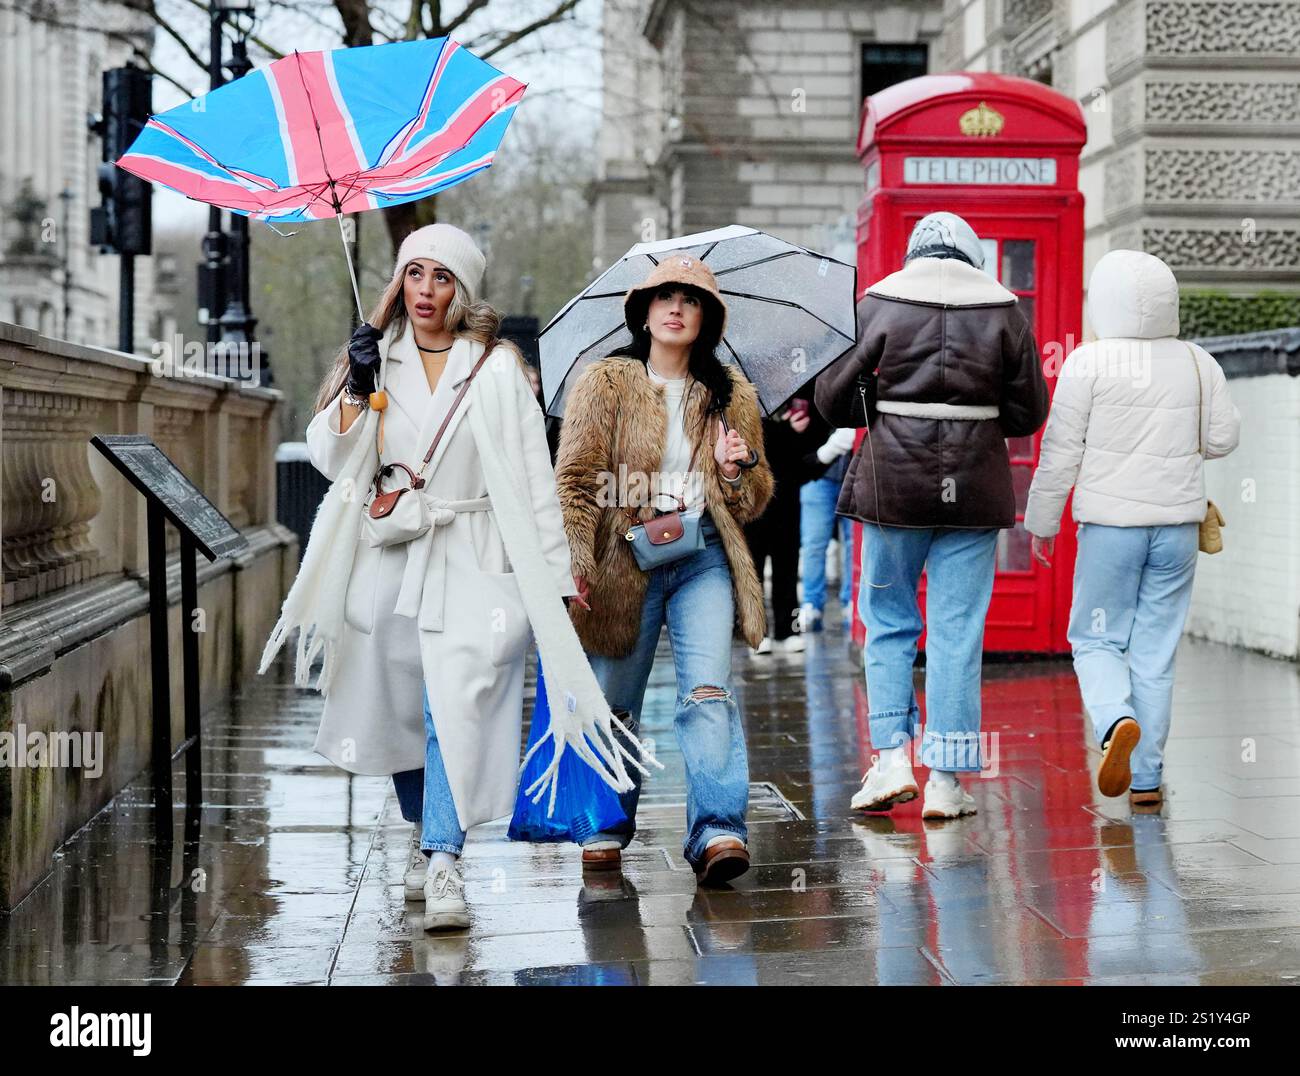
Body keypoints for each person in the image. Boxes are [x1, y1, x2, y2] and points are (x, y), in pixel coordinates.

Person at [263, 223, 623, 932]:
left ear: (462, 288)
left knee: (451, 708)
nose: (426, 290)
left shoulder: (495, 366)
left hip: (477, 555)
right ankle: (420, 830)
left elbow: (529, 475)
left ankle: (443, 859)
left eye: (442, 277)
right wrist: (358, 383)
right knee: (402, 712)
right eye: (415, 273)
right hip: (389, 557)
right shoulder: (373, 358)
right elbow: (332, 459)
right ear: (398, 281)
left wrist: (554, 576)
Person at [815, 212, 1049, 820]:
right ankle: (945, 779)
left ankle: (892, 758)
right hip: (973, 488)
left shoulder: (879, 305)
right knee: (957, 629)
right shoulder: (1004, 312)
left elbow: (832, 398)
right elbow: (1027, 414)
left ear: (913, 254)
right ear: (972, 257)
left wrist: (876, 395)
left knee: (889, 620)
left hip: (894, 483)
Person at [555, 252, 774, 884]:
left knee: (708, 692)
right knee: (615, 700)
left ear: (707, 318)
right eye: (664, 297)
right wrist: (576, 558)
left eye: (691, 299)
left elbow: (754, 501)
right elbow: (573, 481)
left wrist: (736, 470)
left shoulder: (731, 395)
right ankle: (602, 822)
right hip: (623, 559)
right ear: (644, 313)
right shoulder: (605, 383)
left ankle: (718, 830)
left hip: (702, 556)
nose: (677, 308)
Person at [1025, 249, 1241, 808]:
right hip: (1176, 528)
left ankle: (1115, 719)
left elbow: (1059, 452)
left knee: (1095, 638)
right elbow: (1221, 440)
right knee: (1155, 650)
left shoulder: (1087, 363)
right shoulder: (1198, 362)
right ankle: (1146, 779)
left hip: (1111, 529)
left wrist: (1042, 522)